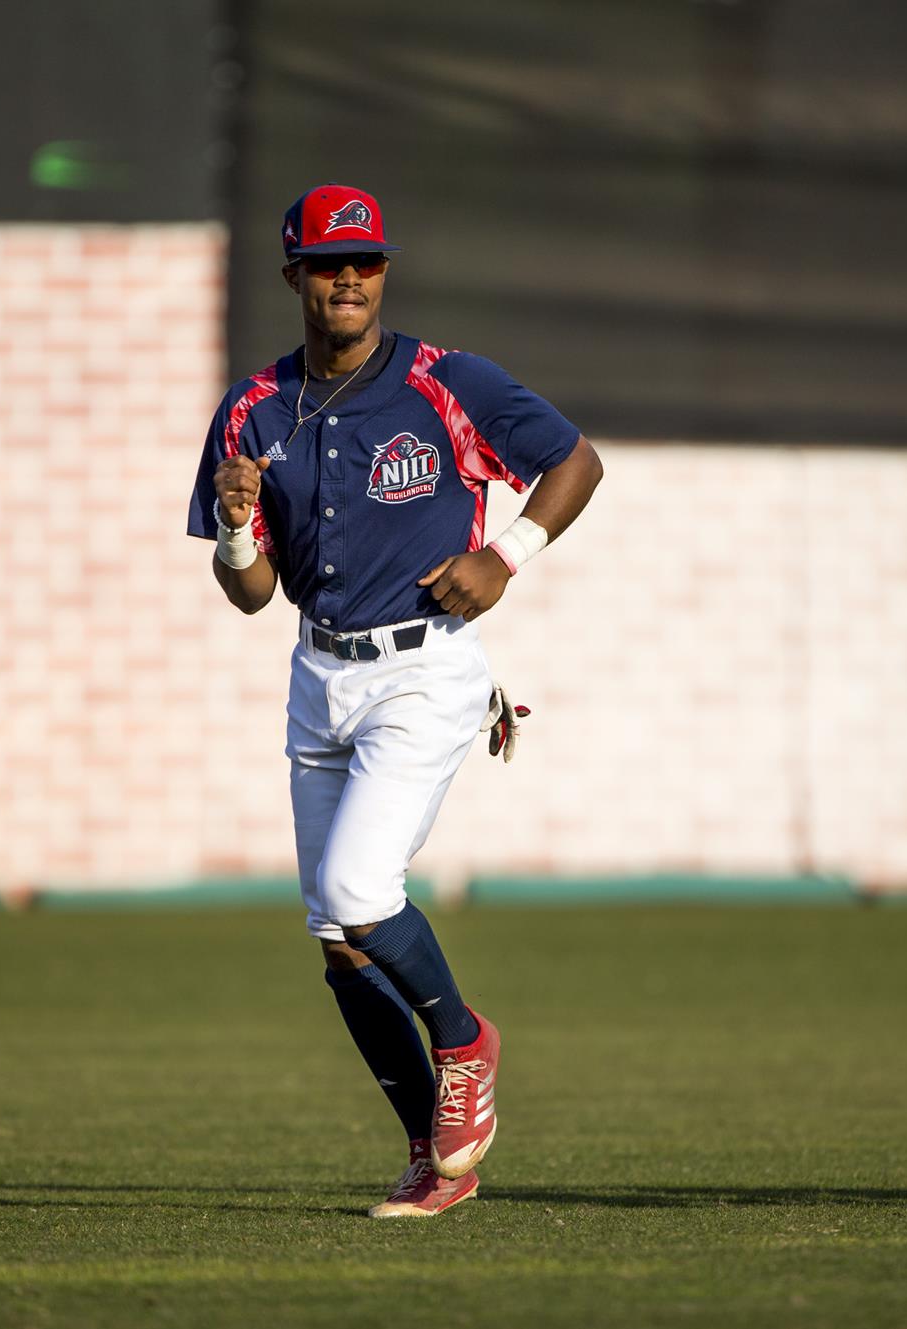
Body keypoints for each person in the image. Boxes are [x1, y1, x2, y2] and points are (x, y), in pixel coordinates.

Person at [189, 184, 603, 1217]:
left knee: (362, 889)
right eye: (328, 263)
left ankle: (463, 1039)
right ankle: (431, 1155)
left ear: (383, 272)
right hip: (316, 673)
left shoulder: (444, 381)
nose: (347, 278)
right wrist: (239, 528)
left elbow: (573, 460)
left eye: (365, 261)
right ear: (293, 275)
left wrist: (504, 555)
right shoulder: (250, 410)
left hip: (423, 669)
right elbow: (248, 594)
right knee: (336, 932)